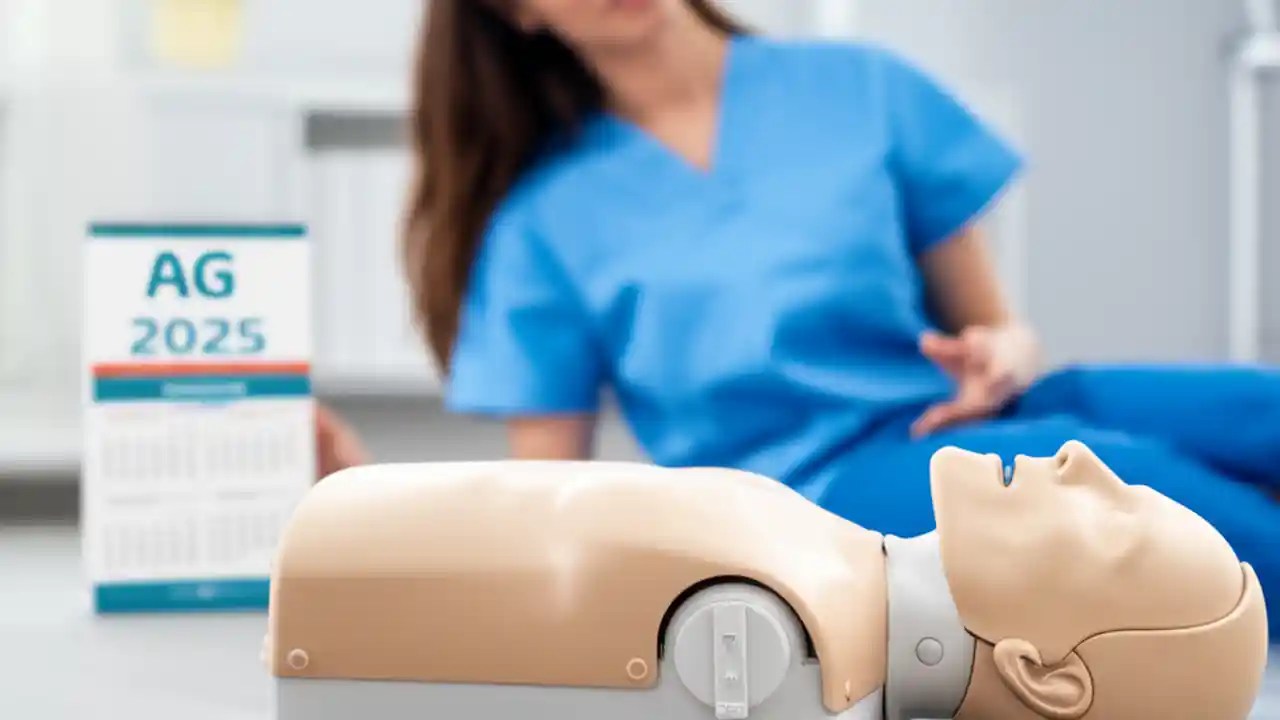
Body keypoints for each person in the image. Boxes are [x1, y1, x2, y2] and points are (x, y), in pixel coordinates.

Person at [317, 0, 1279, 635]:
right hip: (819, 495)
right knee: (1144, 491)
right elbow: (551, 502)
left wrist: (998, 353)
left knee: (1253, 414)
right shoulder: (542, 222)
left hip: (982, 412)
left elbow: (1002, 328)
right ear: (516, 13)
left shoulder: (858, 87)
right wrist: (373, 503)